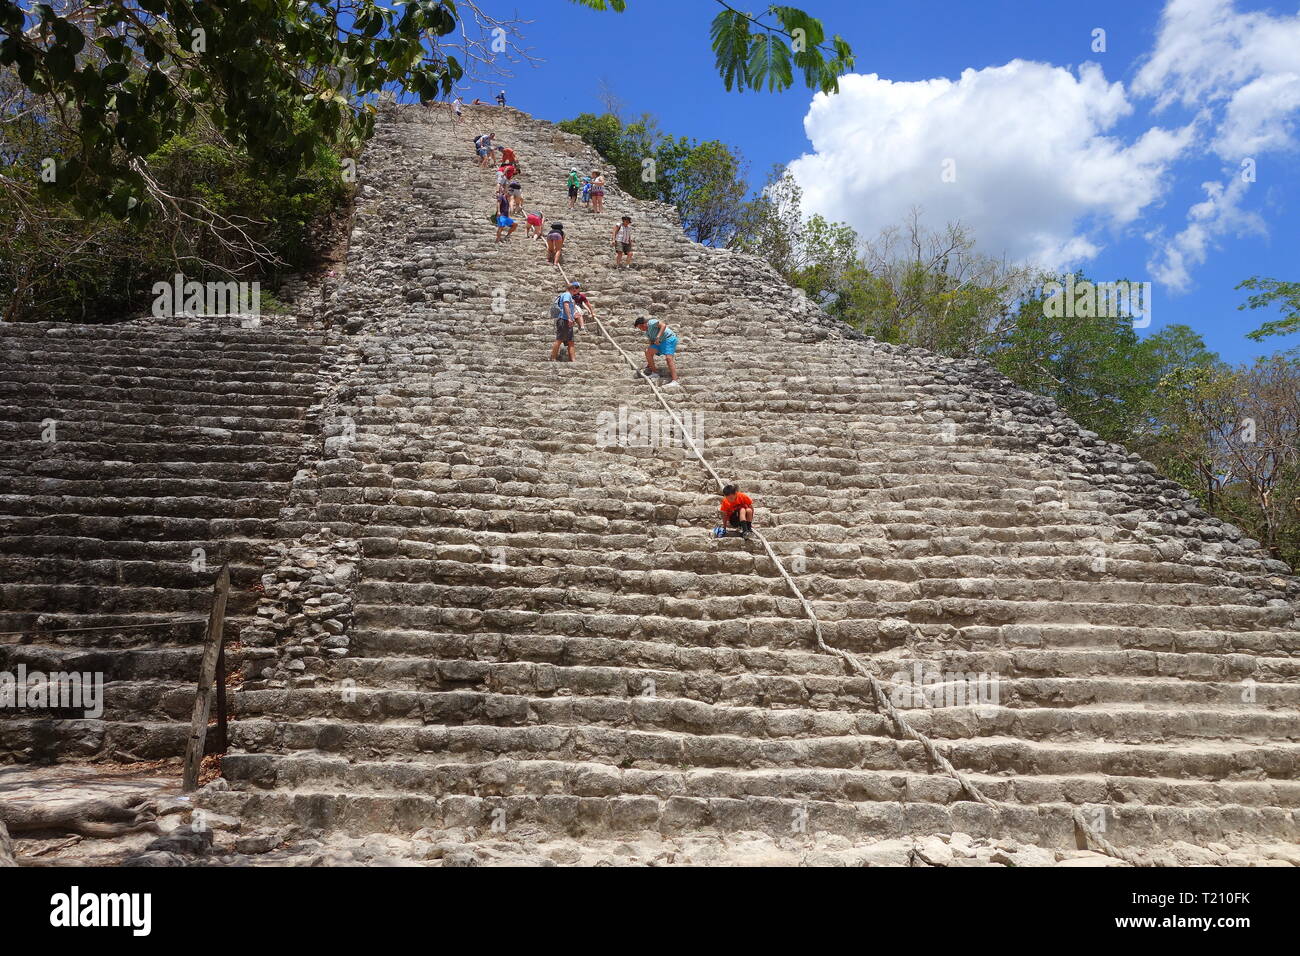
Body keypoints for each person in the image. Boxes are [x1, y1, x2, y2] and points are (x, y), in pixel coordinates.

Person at [633, 316, 679, 387]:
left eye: (641, 326)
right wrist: (649, 360)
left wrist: (658, 337)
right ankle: (655, 373)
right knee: (648, 351)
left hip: (669, 339)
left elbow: (663, 325)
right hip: (659, 343)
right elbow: (652, 342)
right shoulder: (647, 333)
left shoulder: (651, 322)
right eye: (640, 328)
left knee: (668, 358)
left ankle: (675, 381)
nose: (641, 329)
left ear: (645, 323)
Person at [550, 283, 578, 362]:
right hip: (563, 319)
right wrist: (569, 318)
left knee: (571, 341)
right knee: (559, 339)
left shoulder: (569, 296)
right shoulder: (567, 295)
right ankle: (553, 358)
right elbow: (566, 305)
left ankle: (573, 360)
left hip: (567, 320)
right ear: (573, 289)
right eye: (575, 290)